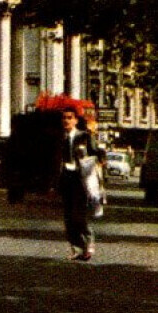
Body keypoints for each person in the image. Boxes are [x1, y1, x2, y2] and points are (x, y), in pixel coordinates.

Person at [57, 107, 102, 261]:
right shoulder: (61, 138)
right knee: (68, 218)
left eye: (69, 117)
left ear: (76, 120)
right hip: (66, 180)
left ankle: (89, 243)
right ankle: (77, 248)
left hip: (81, 180)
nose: (66, 120)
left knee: (79, 215)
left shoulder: (84, 136)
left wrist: (91, 164)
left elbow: (96, 153)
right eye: (64, 117)